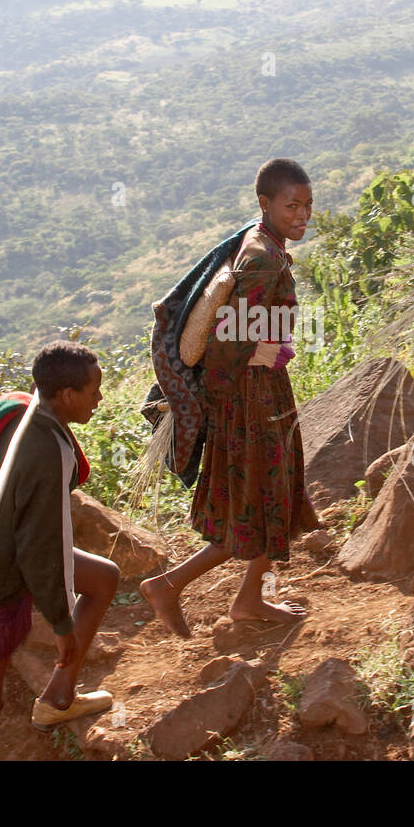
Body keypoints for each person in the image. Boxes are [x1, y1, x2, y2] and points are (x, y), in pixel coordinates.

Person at [142, 158, 319, 638]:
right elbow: (224, 345)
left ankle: (248, 600)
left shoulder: (263, 241)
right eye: (291, 206)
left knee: (271, 496)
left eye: (307, 205)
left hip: (259, 394)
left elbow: (241, 325)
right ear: (266, 204)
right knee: (255, 501)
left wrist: (269, 345)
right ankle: (169, 584)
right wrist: (262, 351)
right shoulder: (261, 258)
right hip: (251, 401)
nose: (302, 215)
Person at [0, 341, 120, 760]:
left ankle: (58, 698)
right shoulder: (49, 450)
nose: (100, 399)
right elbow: (41, 551)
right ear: (67, 395)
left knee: (103, 578)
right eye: (94, 391)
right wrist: (61, 625)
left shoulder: (19, 408)